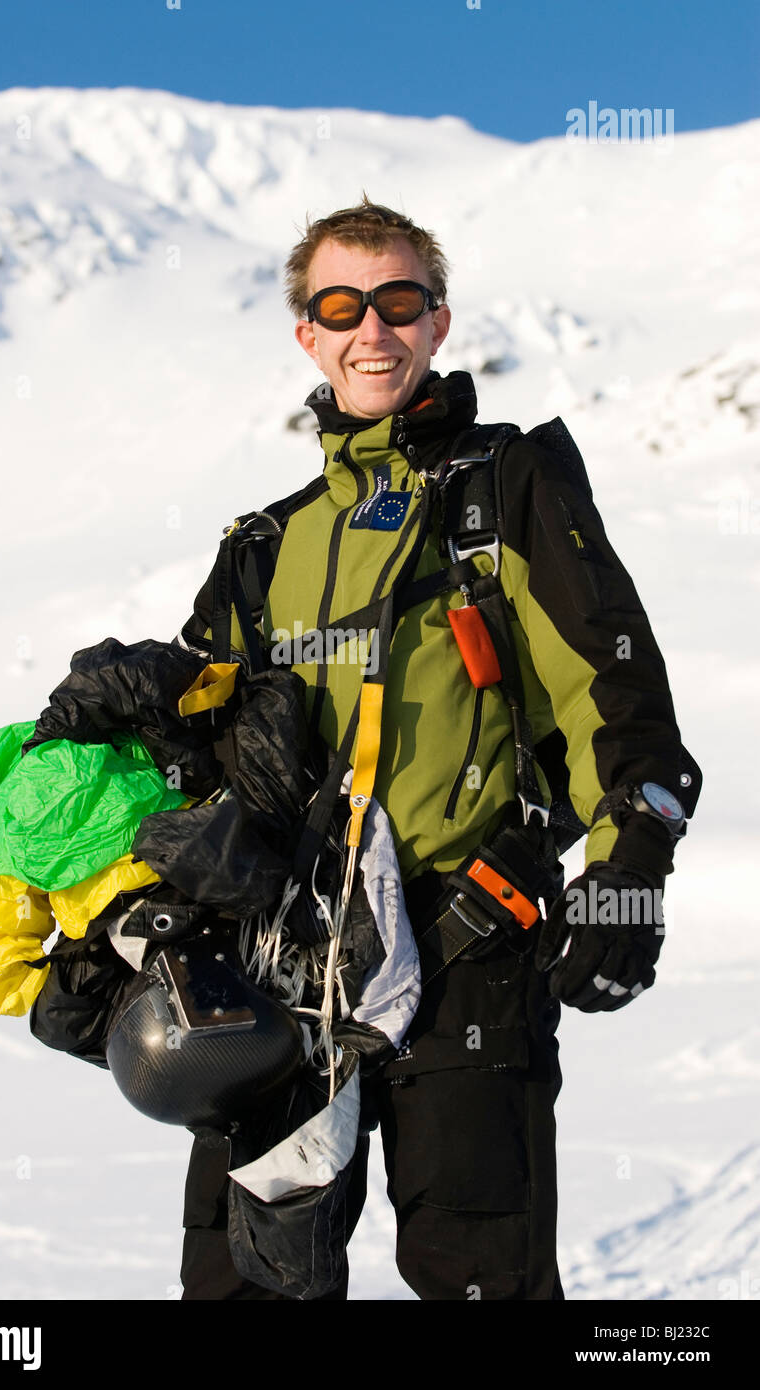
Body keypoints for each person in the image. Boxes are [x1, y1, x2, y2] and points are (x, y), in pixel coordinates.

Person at [176, 197, 697, 1300]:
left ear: (440, 323)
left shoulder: (503, 490)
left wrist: (629, 868)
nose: (375, 329)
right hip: (283, 972)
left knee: (479, 1278)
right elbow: (187, 762)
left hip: (466, 947)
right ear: (307, 333)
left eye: (400, 302)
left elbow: (617, 698)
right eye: (343, 305)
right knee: (240, 1285)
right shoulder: (262, 549)